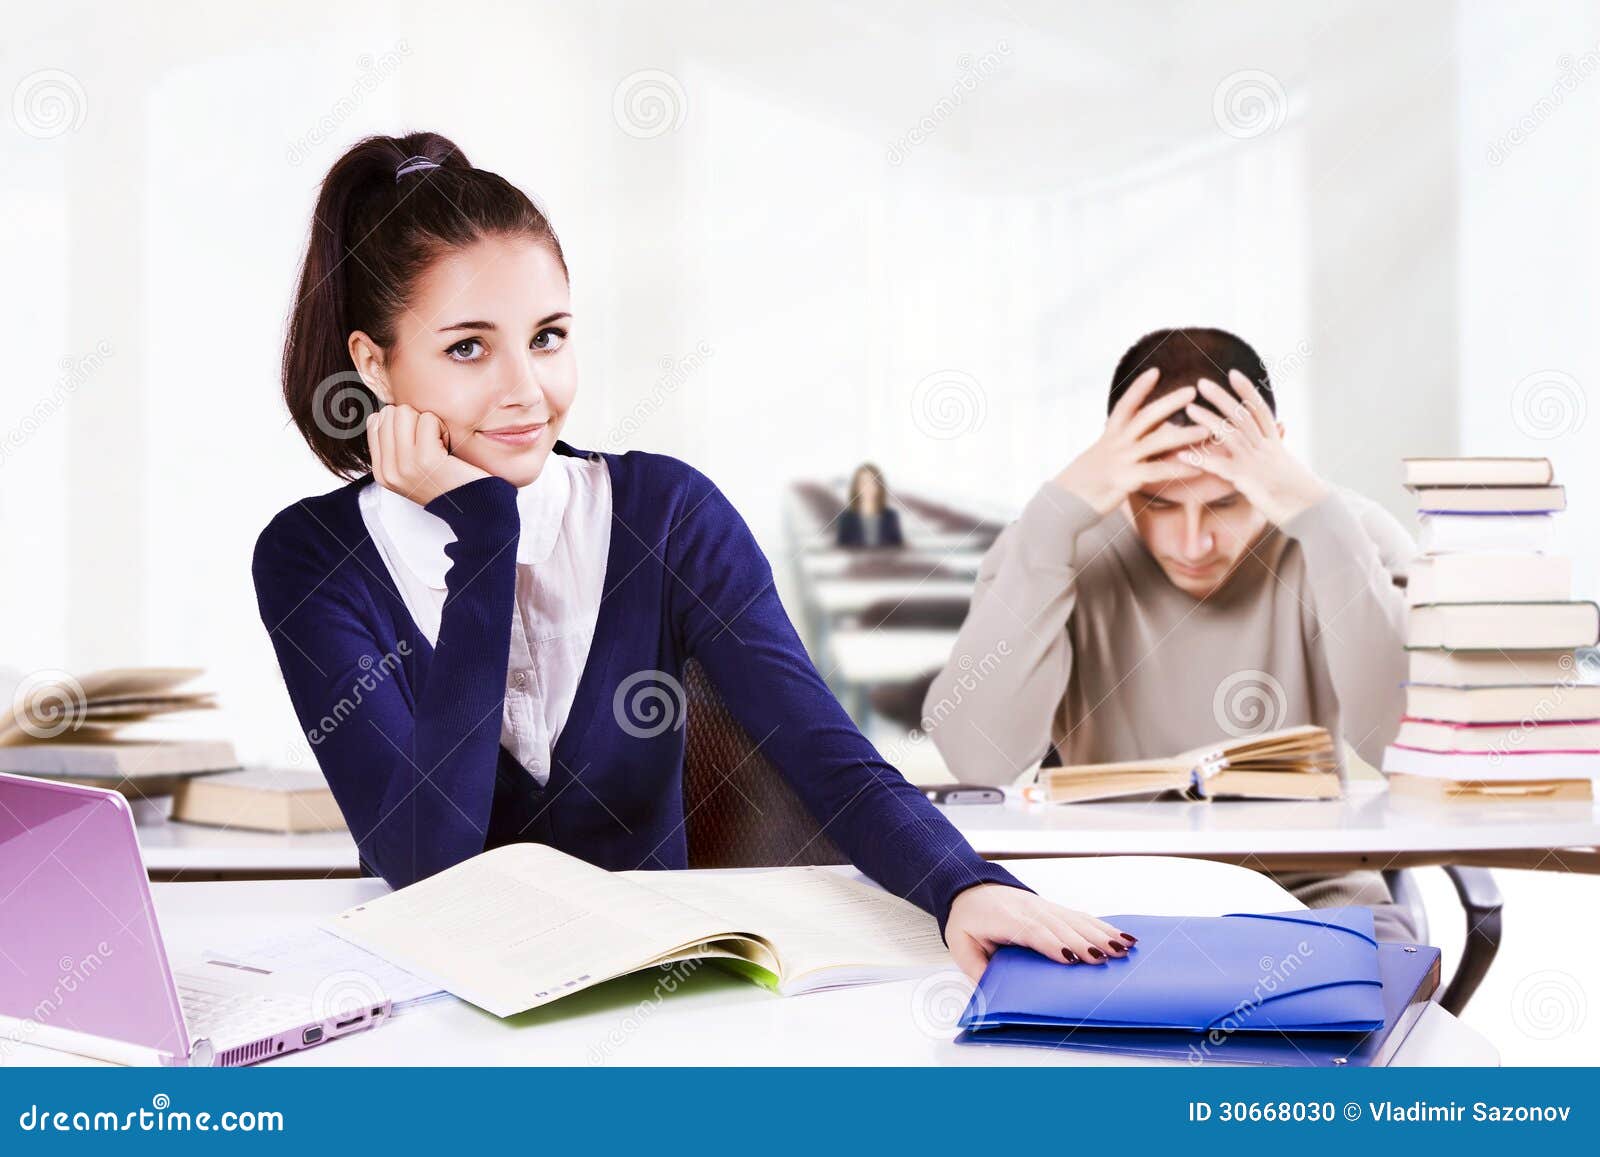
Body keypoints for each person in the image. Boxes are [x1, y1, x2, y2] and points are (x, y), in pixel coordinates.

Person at [251, 131, 1137, 980]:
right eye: (469, 348)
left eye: (549, 336)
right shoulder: (312, 558)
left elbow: (823, 751)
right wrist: (486, 535)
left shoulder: (665, 514)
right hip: (442, 1023)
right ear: (373, 361)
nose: (527, 390)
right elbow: (424, 865)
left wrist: (965, 887)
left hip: (665, 1007)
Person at [923, 327, 1419, 940]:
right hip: (1101, 893)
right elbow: (978, 758)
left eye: (1228, 503)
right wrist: (1054, 521)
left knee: (1377, 993)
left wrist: (1324, 528)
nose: (1192, 545)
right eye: (1157, 503)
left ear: (1274, 460)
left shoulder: (1345, 535)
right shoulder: (1054, 544)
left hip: (1308, 892)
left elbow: (1407, 748)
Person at [835, 462, 905, 548]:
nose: (868, 487)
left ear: (879, 486)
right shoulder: (846, 519)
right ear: (856, 487)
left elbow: (898, 547)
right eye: (863, 483)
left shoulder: (891, 517)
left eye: (872, 482)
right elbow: (841, 549)